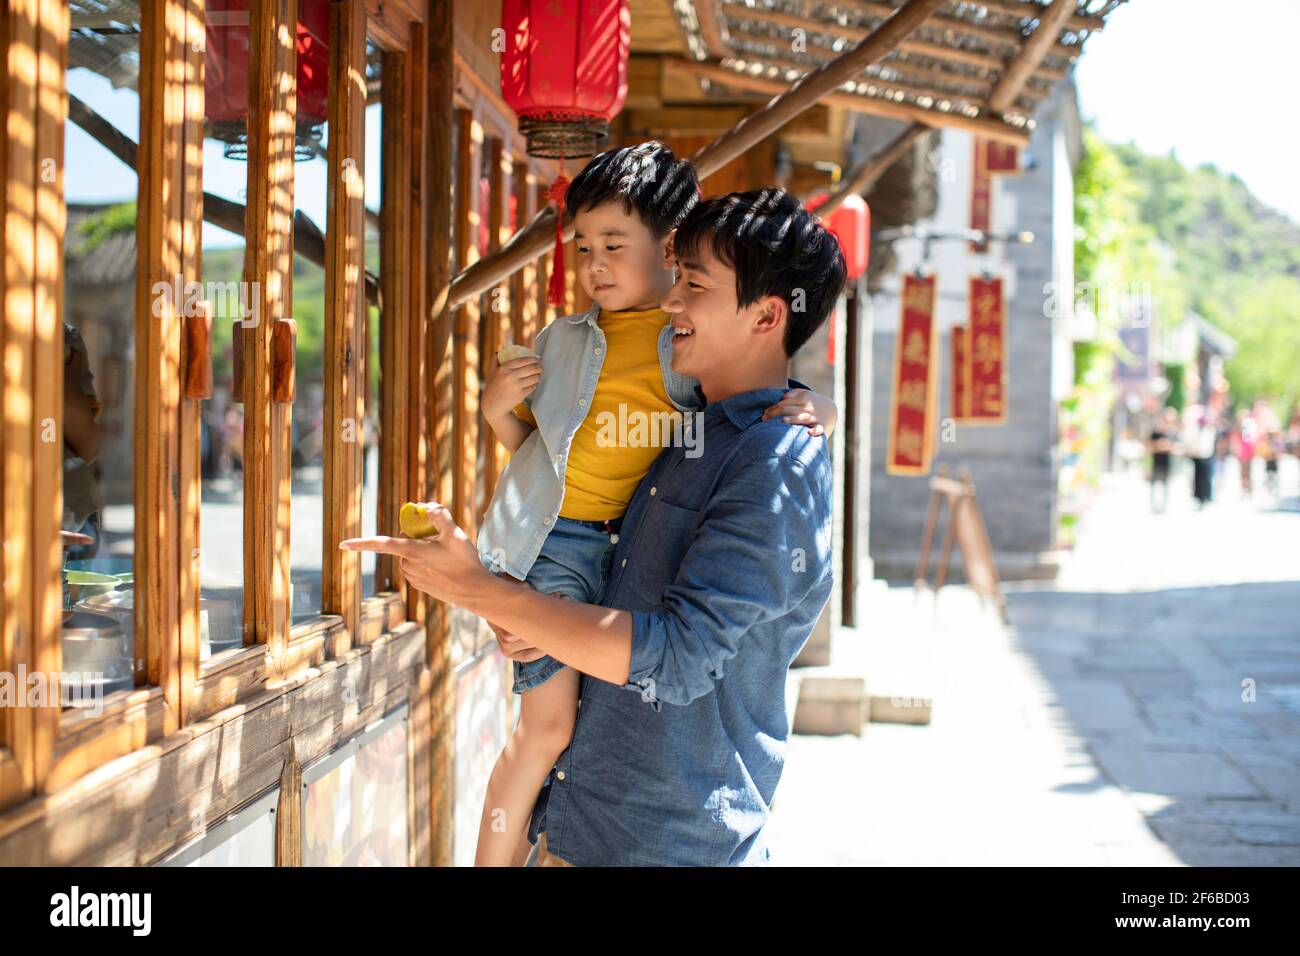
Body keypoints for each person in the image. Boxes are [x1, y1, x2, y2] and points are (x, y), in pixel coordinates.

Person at [343, 187, 846, 865]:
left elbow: (676, 658)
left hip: (663, 847)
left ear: (766, 315)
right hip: (583, 824)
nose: (671, 301)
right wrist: (535, 614)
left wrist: (485, 592)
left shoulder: (775, 458)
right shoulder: (692, 426)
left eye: (694, 284)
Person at [1147, 406, 1179, 513]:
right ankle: (1153, 507)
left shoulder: (1173, 434)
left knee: (1166, 487)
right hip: (1156, 463)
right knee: (1154, 486)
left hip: (1168, 464)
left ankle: (1163, 508)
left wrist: (1168, 447)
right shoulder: (1156, 433)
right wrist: (1159, 446)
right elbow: (1148, 447)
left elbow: (1178, 449)